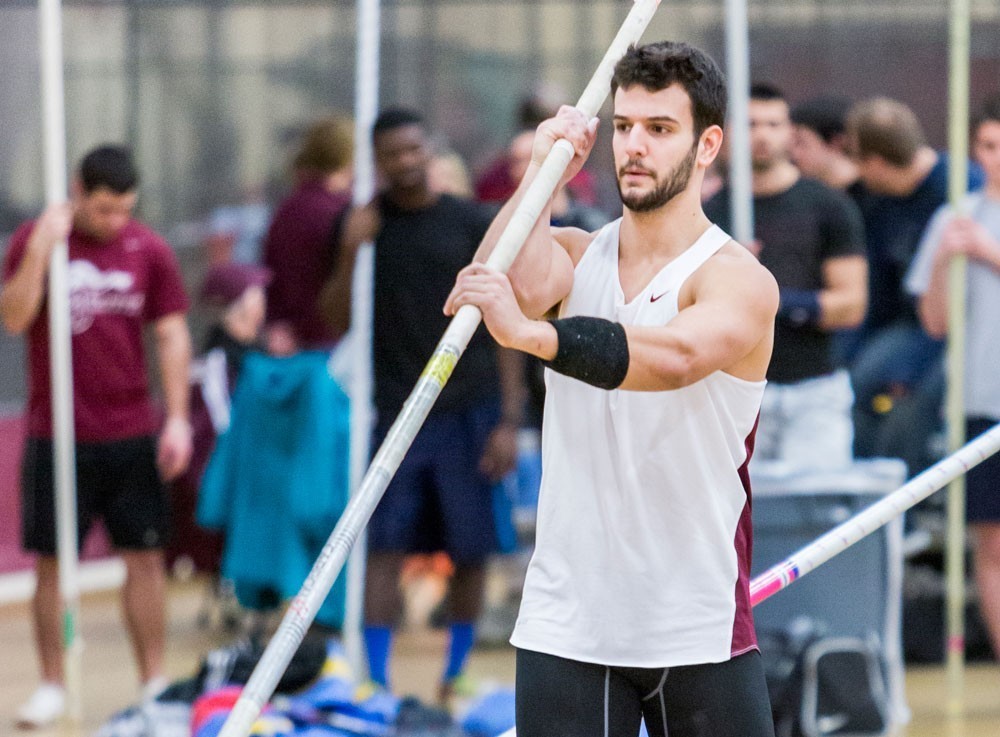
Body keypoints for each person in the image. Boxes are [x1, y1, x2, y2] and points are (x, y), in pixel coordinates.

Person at [445, 41, 778, 737]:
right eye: (624, 126)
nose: (634, 146)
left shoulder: (733, 278)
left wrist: (538, 338)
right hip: (570, 623)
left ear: (707, 143)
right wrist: (540, 172)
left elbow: (680, 355)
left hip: (696, 620)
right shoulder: (575, 254)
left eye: (659, 129)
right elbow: (502, 278)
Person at [320, 108, 523, 702]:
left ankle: (454, 671)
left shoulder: (468, 222)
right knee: (383, 545)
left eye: (414, 149)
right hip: (395, 413)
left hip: (471, 408)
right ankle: (376, 679)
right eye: (392, 154)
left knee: (471, 548)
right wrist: (351, 253)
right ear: (376, 162)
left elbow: (502, 323)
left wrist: (509, 420)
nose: (406, 162)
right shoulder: (364, 226)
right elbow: (334, 319)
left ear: (429, 150)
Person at [0, 145, 193, 727]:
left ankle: (153, 681)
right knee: (52, 562)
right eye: (104, 209)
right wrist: (39, 250)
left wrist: (178, 418)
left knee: (145, 557)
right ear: (78, 192)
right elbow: (13, 317)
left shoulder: (148, 249)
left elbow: (171, 334)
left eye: (125, 210)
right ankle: (52, 683)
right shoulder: (40, 240)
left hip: (130, 430)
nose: (115, 222)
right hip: (55, 432)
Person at [705, 83, 867, 471]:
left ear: (790, 132)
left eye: (773, 124)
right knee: (744, 525)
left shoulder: (828, 206)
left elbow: (851, 305)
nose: (762, 135)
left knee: (818, 519)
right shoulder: (707, 213)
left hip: (813, 392)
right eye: (750, 124)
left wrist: (769, 296)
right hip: (735, 392)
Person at [905, 94, 1000, 657]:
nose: (999, 157)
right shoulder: (955, 217)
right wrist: (944, 257)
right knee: (990, 545)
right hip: (978, 400)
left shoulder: (981, 234)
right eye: (989, 146)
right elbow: (935, 322)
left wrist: (989, 253)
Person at [845, 97, 984, 473]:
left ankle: (907, 508)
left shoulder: (961, 187)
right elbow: (878, 289)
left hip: (964, 331)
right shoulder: (878, 201)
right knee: (853, 383)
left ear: (873, 161)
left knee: (917, 402)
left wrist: (911, 367)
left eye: (856, 158)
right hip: (907, 327)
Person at [262, 115, 353, 353]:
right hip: (335, 339)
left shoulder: (288, 210)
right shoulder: (343, 213)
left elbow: (273, 273)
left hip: (295, 339)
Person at [789, 95, 865, 203]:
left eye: (800, 143)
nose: (794, 154)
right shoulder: (804, 198)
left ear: (836, 143)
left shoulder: (876, 201)